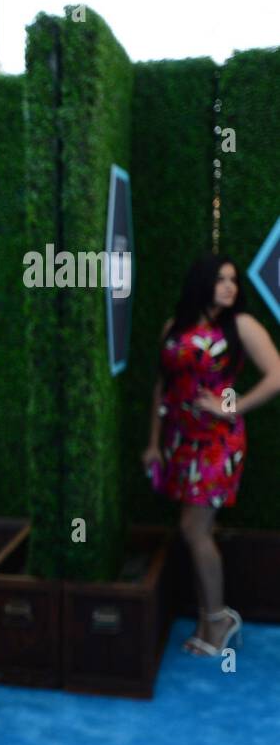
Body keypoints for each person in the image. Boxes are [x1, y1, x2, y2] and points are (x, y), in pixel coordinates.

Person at [141, 253, 280, 656]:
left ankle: (218, 619)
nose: (229, 286)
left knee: (194, 528)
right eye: (221, 279)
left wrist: (231, 406)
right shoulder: (175, 327)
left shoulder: (241, 325)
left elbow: (276, 374)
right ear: (202, 282)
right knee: (193, 528)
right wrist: (153, 443)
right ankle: (208, 616)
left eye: (233, 280)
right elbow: (161, 389)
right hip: (180, 440)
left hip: (220, 442)